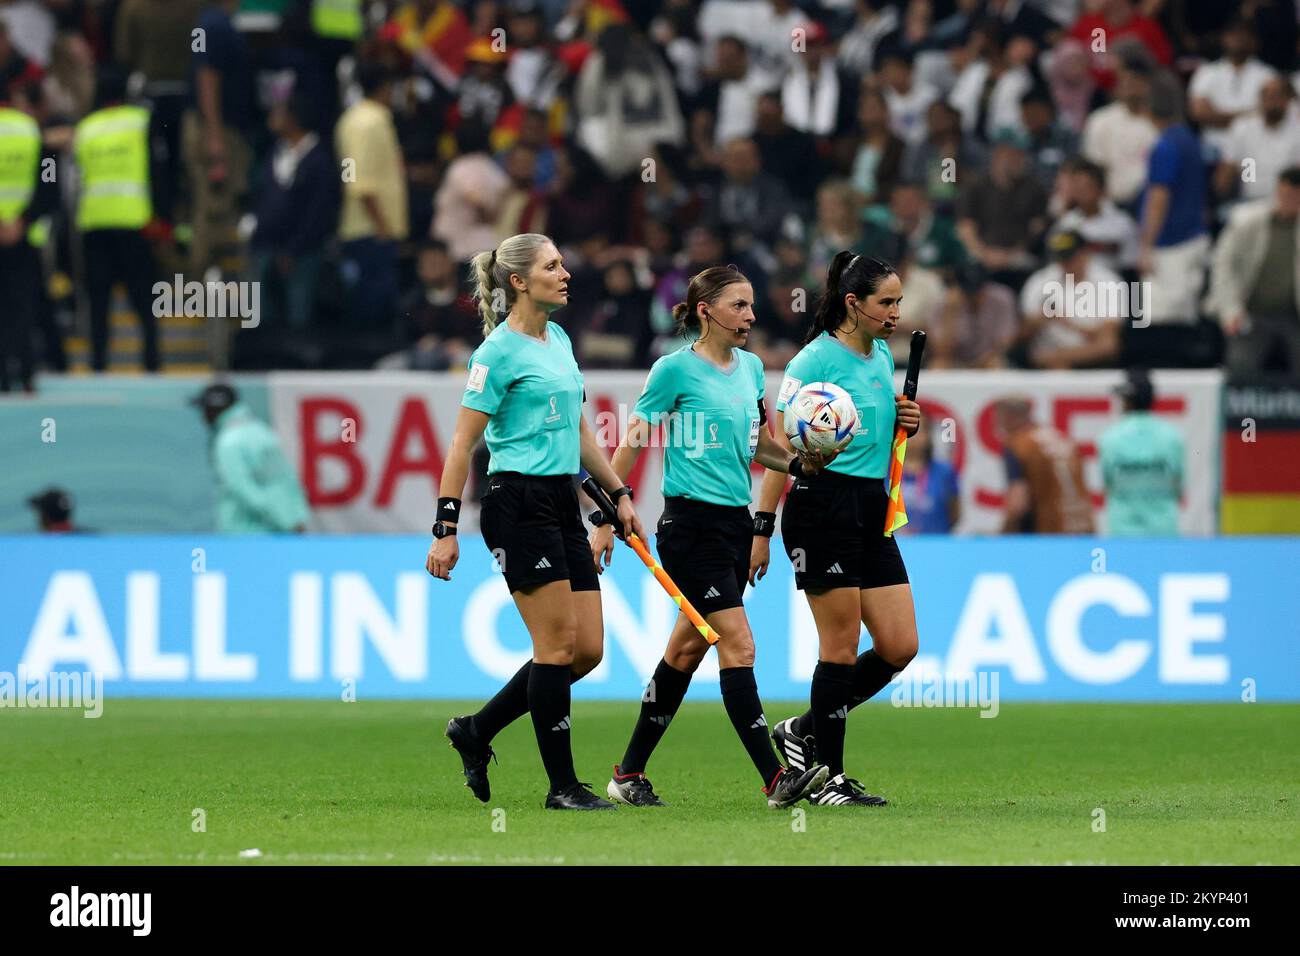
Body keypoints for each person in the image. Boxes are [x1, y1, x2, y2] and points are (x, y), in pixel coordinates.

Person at [590, 264, 831, 808]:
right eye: (738, 306)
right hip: (689, 528)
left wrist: (801, 464)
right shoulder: (673, 371)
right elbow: (632, 441)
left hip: (733, 525)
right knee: (738, 643)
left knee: (684, 650)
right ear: (706, 311)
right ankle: (777, 779)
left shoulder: (749, 369)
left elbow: (760, 445)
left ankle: (628, 775)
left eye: (751, 306)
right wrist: (606, 516)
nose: (750, 316)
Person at [426, 232, 643, 811]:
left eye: (563, 262)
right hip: (515, 502)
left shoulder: (562, 339)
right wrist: (445, 530)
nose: (566, 272)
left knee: (587, 650)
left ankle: (475, 730)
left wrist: (617, 494)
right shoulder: (495, 353)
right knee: (555, 645)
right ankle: (562, 787)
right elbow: (461, 444)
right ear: (519, 281)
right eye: (553, 266)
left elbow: (576, 434)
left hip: (561, 500)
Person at [755, 253, 922, 807]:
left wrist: (902, 419)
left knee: (900, 645)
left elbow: (866, 432)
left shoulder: (877, 355)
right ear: (854, 303)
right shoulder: (812, 362)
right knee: (841, 647)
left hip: (870, 508)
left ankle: (803, 730)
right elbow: (784, 450)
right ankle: (829, 776)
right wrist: (762, 526)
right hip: (820, 507)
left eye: (899, 302)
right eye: (886, 303)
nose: (896, 312)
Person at [74, 67, 160, 373]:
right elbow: (158, 168)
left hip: (94, 224)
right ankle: (151, 362)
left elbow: (77, 176)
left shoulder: (86, 128)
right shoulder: (140, 122)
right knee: (144, 301)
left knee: (99, 303)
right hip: (134, 223)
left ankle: (98, 364)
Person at [1209, 166, 1300, 376]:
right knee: (1240, 366)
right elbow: (1223, 265)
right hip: (1252, 314)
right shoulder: (1247, 222)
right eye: (1287, 194)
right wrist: (1230, 310)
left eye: (1296, 196)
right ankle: (1238, 408)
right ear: (1278, 191)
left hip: (1293, 316)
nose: (1291, 201)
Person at [192, 383, 310, 533]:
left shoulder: (229, 441)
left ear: (214, 409)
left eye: (204, 409)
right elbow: (287, 479)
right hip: (278, 529)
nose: (202, 415)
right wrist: (294, 516)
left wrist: (285, 520)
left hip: (247, 534)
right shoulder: (261, 430)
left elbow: (243, 489)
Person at [1099, 368, 1183, 536]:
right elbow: (1179, 486)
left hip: (1123, 533)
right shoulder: (1173, 437)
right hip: (1163, 532)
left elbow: (1108, 486)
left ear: (1127, 401)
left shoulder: (1110, 438)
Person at [995, 396, 1095, 534]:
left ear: (1008, 417)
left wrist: (1002, 536)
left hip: (1047, 532)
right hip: (1082, 526)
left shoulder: (1018, 445)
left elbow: (1018, 502)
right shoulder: (1062, 439)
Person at [896, 423, 960, 534]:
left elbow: (955, 513)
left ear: (928, 435)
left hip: (935, 545)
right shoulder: (885, 470)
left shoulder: (944, 472)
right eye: (908, 430)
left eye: (919, 431)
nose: (913, 436)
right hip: (893, 545)